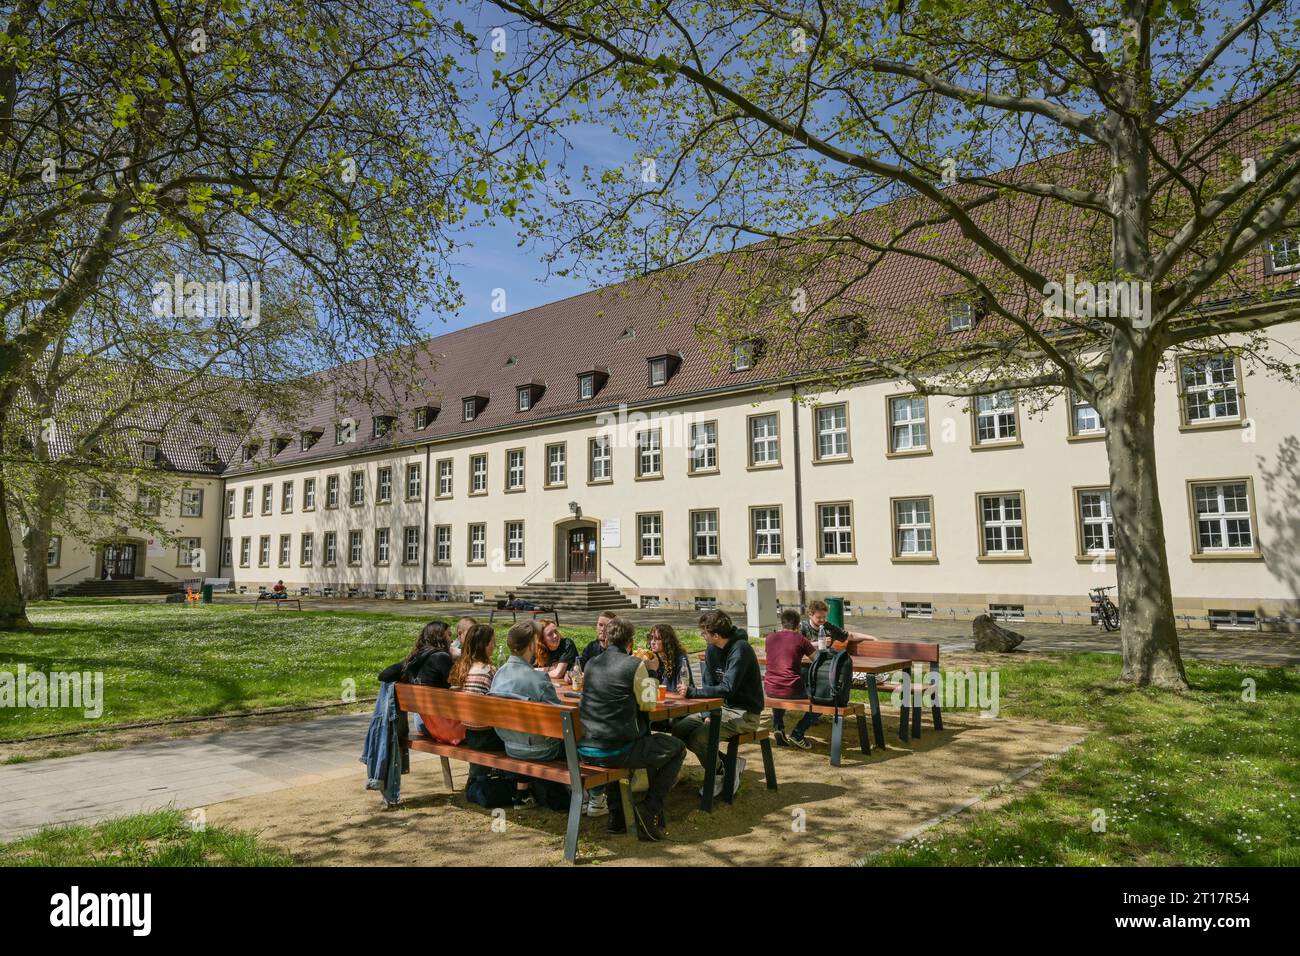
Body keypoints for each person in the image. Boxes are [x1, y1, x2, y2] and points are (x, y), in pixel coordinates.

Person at [577, 616, 685, 841]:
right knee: (676, 748)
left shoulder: (591, 663)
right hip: (617, 751)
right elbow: (648, 704)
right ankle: (649, 810)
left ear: (606, 639)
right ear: (631, 642)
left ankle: (617, 818)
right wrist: (653, 671)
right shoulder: (635, 665)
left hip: (587, 749)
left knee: (621, 741)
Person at [673, 610, 764, 799]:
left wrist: (693, 693)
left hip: (745, 713)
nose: (702, 636)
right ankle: (728, 766)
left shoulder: (741, 649)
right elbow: (709, 683)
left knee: (699, 738)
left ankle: (720, 774)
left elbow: (728, 688)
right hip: (718, 708)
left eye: (704, 633)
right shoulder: (712, 649)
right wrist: (707, 714)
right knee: (679, 730)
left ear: (715, 635)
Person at [489, 620, 565, 808]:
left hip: (511, 746)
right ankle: (590, 796)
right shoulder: (538, 679)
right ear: (531, 645)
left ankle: (525, 792)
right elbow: (561, 721)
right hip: (542, 750)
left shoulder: (499, 674)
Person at [379, 621, 456, 742]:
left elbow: (383, 675)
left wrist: (407, 664)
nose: (452, 640)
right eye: (449, 635)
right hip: (445, 727)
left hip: (423, 724)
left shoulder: (416, 659)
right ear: (440, 637)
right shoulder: (441, 657)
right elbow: (459, 685)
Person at [449, 622, 502, 782]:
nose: (495, 645)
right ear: (485, 645)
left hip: (469, 731)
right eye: (493, 641)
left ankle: (477, 778)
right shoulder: (488, 670)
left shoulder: (461, 668)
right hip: (488, 733)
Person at [578, 610, 618, 816]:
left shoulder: (620, 652)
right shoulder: (591, 648)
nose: (602, 629)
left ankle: (592, 794)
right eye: (600, 625)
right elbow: (580, 672)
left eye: (606, 626)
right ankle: (594, 795)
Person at [765, 608, 819, 749]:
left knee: (779, 690)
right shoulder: (801, 639)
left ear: (782, 623)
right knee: (821, 701)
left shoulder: (770, 638)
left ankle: (778, 726)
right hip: (791, 689)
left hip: (770, 688)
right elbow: (817, 660)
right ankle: (798, 733)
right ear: (798, 625)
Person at [645, 623, 692, 691]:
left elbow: (683, 686)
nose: (652, 642)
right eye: (651, 638)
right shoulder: (651, 658)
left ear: (666, 641)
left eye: (657, 639)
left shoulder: (679, 658)